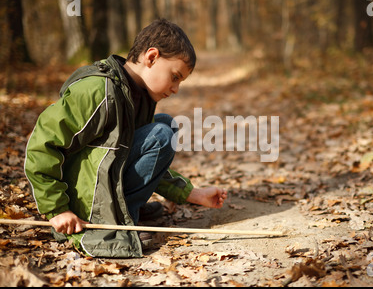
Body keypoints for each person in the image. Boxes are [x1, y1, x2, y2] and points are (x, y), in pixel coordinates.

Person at [24, 19, 227, 258]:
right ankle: (121, 223)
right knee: (161, 133)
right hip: (81, 207)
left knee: (165, 126)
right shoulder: (99, 90)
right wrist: (57, 209)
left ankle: (127, 211)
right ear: (151, 57)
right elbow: (42, 146)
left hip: (102, 185)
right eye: (174, 77)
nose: (175, 89)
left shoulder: (139, 95)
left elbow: (139, 156)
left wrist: (192, 193)